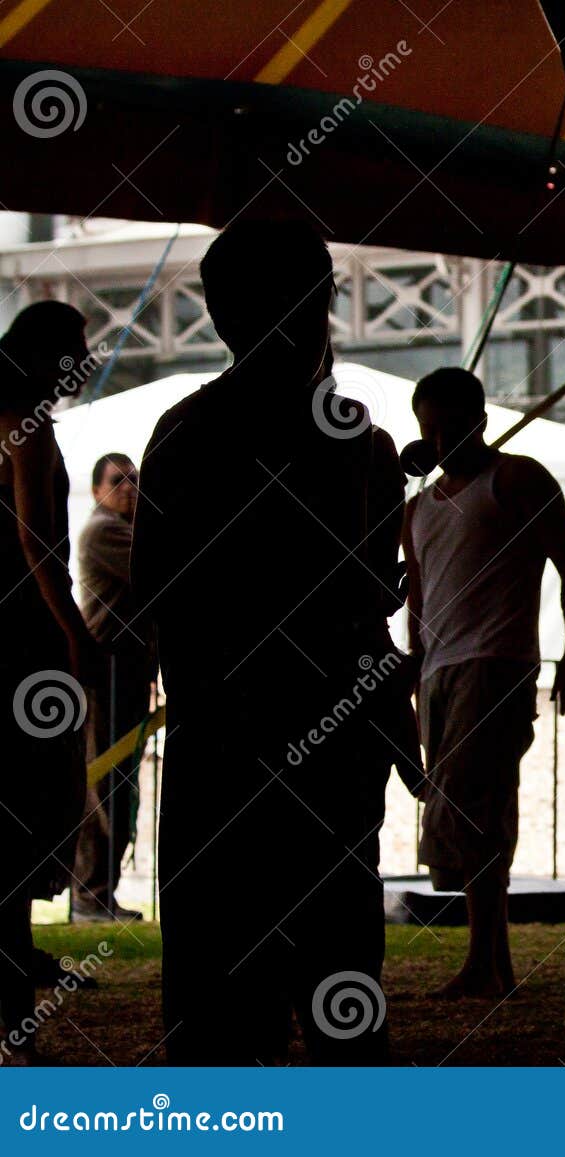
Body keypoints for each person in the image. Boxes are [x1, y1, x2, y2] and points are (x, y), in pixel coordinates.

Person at [133, 220, 404, 1064]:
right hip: (330, 755)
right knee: (340, 983)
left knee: (216, 1004)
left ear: (220, 316)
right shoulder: (361, 445)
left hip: (220, 753)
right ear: (322, 306)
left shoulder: (183, 436)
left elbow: (156, 599)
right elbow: (375, 600)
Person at [403, 366, 565, 998]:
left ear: (477, 420)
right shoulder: (418, 510)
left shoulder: (517, 479)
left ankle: (486, 961)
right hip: (440, 671)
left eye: (446, 427)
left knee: (474, 808)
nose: (436, 441)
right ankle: (491, 962)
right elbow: (420, 602)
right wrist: (413, 665)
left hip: (496, 664)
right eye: (427, 429)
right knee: (463, 810)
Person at [0, 302, 95, 1064]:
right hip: (24, 644)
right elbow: (37, 539)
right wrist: (76, 633)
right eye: (78, 348)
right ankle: (16, 1027)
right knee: (29, 825)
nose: (87, 360)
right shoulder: (26, 425)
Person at [72, 452, 153, 923]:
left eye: (134, 481)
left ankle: (101, 893)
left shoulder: (121, 527)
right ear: (98, 489)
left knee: (120, 785)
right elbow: (157, 569)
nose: (129, 489)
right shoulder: (106, 529)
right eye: (119, 481)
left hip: (127, 670)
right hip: (107, 670)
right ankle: (91, 894)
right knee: (105, 785)